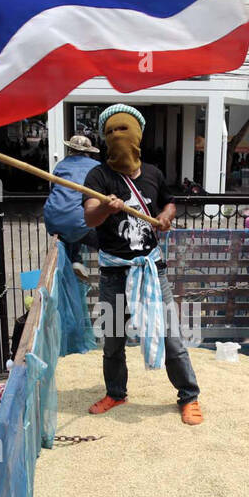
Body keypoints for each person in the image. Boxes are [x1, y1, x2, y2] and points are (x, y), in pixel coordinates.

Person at [81, 104, 202, 425]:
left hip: (152, 271)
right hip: (113, 274)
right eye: (111, 131)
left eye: (124, 129)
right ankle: (116, 393)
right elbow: (89, 215)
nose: (117, 136)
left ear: (138, 135)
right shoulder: (97, 176)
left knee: (171, 336)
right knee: (113, 338)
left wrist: (164, 217)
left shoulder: (153, 173)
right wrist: (106, 208)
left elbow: (170, 202)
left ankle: (188, 396)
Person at [43, 134, 101, 275]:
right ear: (89, 152)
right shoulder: (97, 167)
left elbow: (53, 188)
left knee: (71, 224)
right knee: (103, 236)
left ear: (70, 149)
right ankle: (108, 267)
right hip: (77, 221)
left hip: (53, 219)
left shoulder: (60, 165)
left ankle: (75, 260)